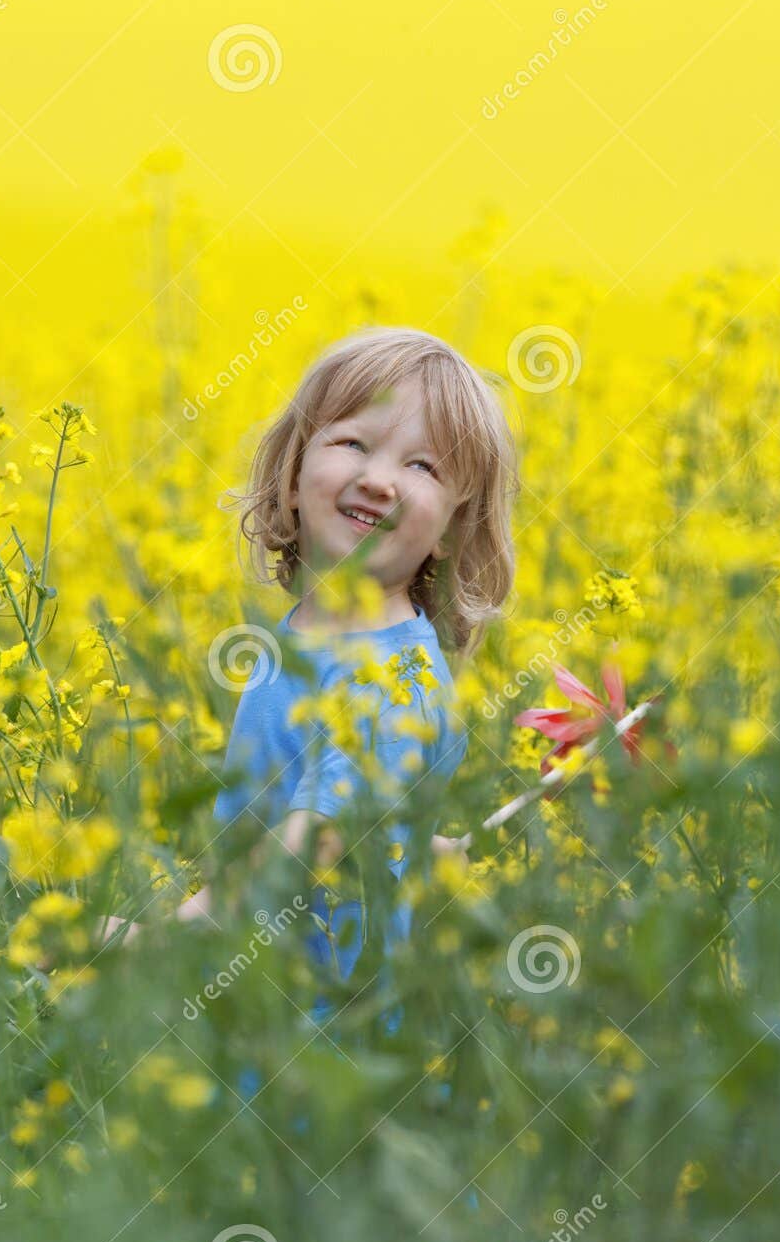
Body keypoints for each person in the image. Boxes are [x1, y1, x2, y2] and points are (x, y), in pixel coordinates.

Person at [100, 325, 519, 1010]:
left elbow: (297, 863)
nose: (378, 480)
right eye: (353, 443)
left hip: (313, 1048)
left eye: (423, 467)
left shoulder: (387, 690)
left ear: (450, 529)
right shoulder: (310, 636)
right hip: (258, 1000)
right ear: (293, 476)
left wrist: (153, 942)